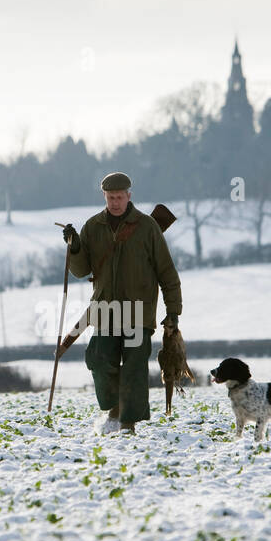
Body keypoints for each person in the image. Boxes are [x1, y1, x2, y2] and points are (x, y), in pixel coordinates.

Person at [61, 172, 181, 433]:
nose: (115, 202)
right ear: (104, 196)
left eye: (119, 197)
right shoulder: (92, 227)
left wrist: (173, 312)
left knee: (135, 367)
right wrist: (75, 247)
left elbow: (167, 273)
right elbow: (80, 271)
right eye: (110, 197)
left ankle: (128, 423)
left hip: (139, 312)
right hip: (105, 310)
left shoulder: (148, 227)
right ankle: (114, 407)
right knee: (98, 358)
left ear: (129, 195)